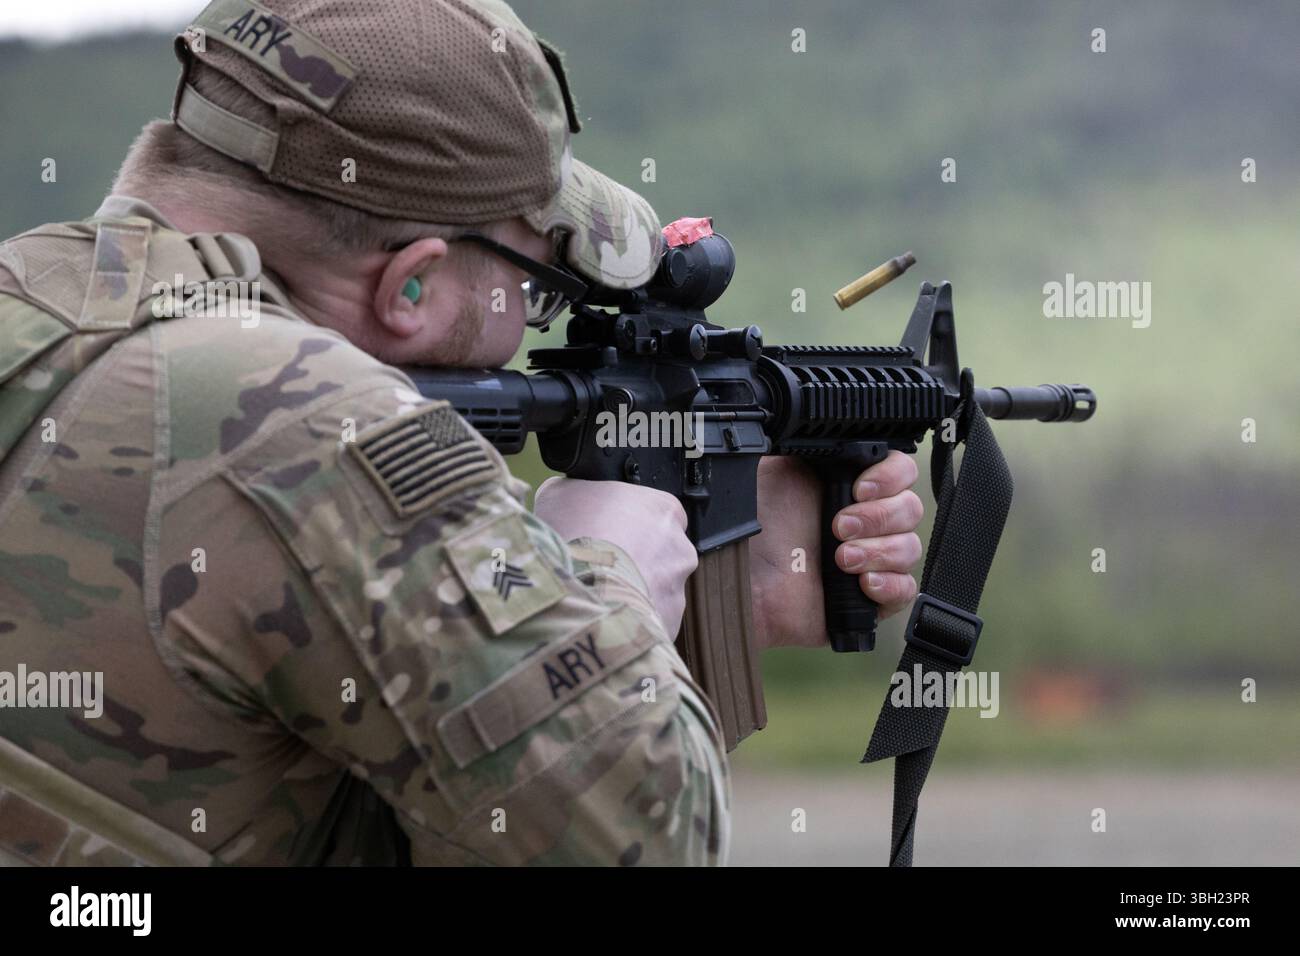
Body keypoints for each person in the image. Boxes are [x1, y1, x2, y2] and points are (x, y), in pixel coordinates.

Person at [0, 0, 923, 866]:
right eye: (536, 292)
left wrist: (737, 593)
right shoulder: (322, 430)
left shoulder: (29, 301)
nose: (535, 329)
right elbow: (648, 835)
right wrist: (609, 577)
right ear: (409, 286)